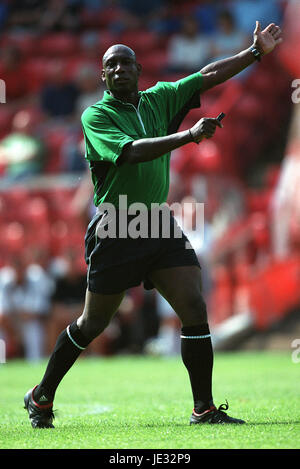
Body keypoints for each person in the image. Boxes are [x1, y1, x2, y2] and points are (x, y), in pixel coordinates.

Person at [24, 20, 282, 428]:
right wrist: (189, 137)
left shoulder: (159, 99)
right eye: (113, 65)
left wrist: (253, 53)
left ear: (139, 71)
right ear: (103, 75)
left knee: (194, 308)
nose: (121, 69)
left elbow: (207, 75)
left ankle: (204, 408)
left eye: (128, 63)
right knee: (93, 324)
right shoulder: (96, 115)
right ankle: (40, 397)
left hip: (157, 222)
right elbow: (129, 154)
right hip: (117, 226)